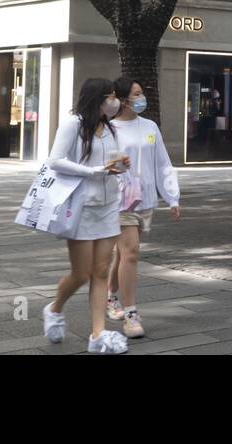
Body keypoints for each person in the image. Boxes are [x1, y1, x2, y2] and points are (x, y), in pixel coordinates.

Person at [41, 78, 132, 354]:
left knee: (101, 271)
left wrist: (121, 165)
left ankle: (98, 333)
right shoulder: (73, 124)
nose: (115, 101)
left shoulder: (110, 128)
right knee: (81, 273)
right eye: (111, 96)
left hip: (107, 206)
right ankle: (54, 308)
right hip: (80, 207)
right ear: (97, 98)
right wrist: (93, 172)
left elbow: (109, 165)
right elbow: (54, 161)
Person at [105, 78, 181, 339]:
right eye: (136, 94)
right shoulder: (108, 129)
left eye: (142, 93)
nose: (141, 98)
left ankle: (109, 296)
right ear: (122, 99)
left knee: (122, 253)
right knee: (131, 253)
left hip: (146, 202)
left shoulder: (150, 126)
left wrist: (172, 197)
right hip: (120, 201)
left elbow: (162, 163)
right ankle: (131, 314)